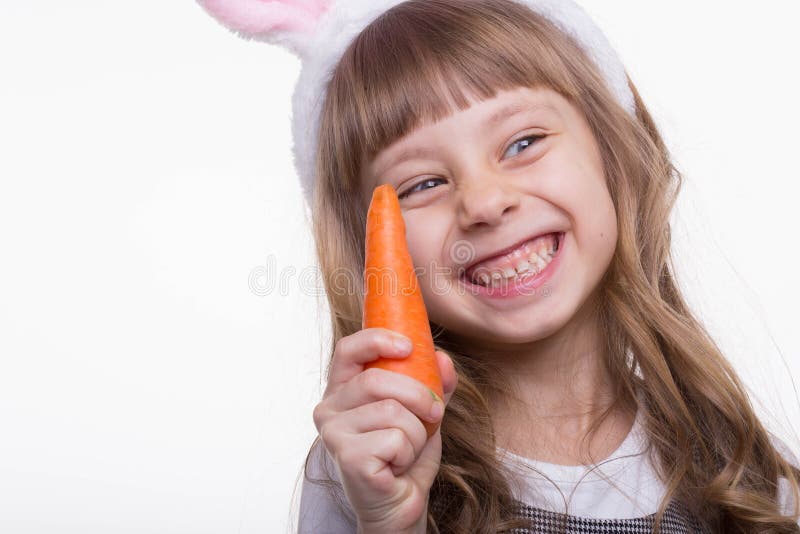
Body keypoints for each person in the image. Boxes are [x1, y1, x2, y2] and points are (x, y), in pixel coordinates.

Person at [196, 0, 800, 531]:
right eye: (423, 183)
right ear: (375, 248)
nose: (484, 202)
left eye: (522, 143)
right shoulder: (366, 471)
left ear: (614, 156)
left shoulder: (744, 465)